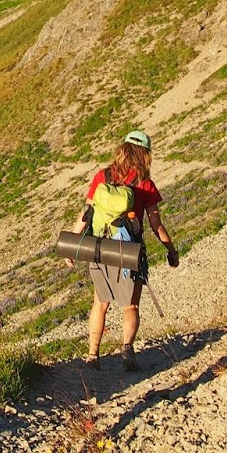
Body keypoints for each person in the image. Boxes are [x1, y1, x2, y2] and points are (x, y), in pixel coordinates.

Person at [72, 129, 178, 371]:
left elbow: (86, 215)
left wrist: (72, 245)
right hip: (129, 250)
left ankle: (92, 355)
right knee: (130, 306)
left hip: (100, 248)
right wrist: (171, 250)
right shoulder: (145, 184)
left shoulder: (103, 176)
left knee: (100, 303)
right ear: (145, 155)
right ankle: (127, 350)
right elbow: (156, 225)